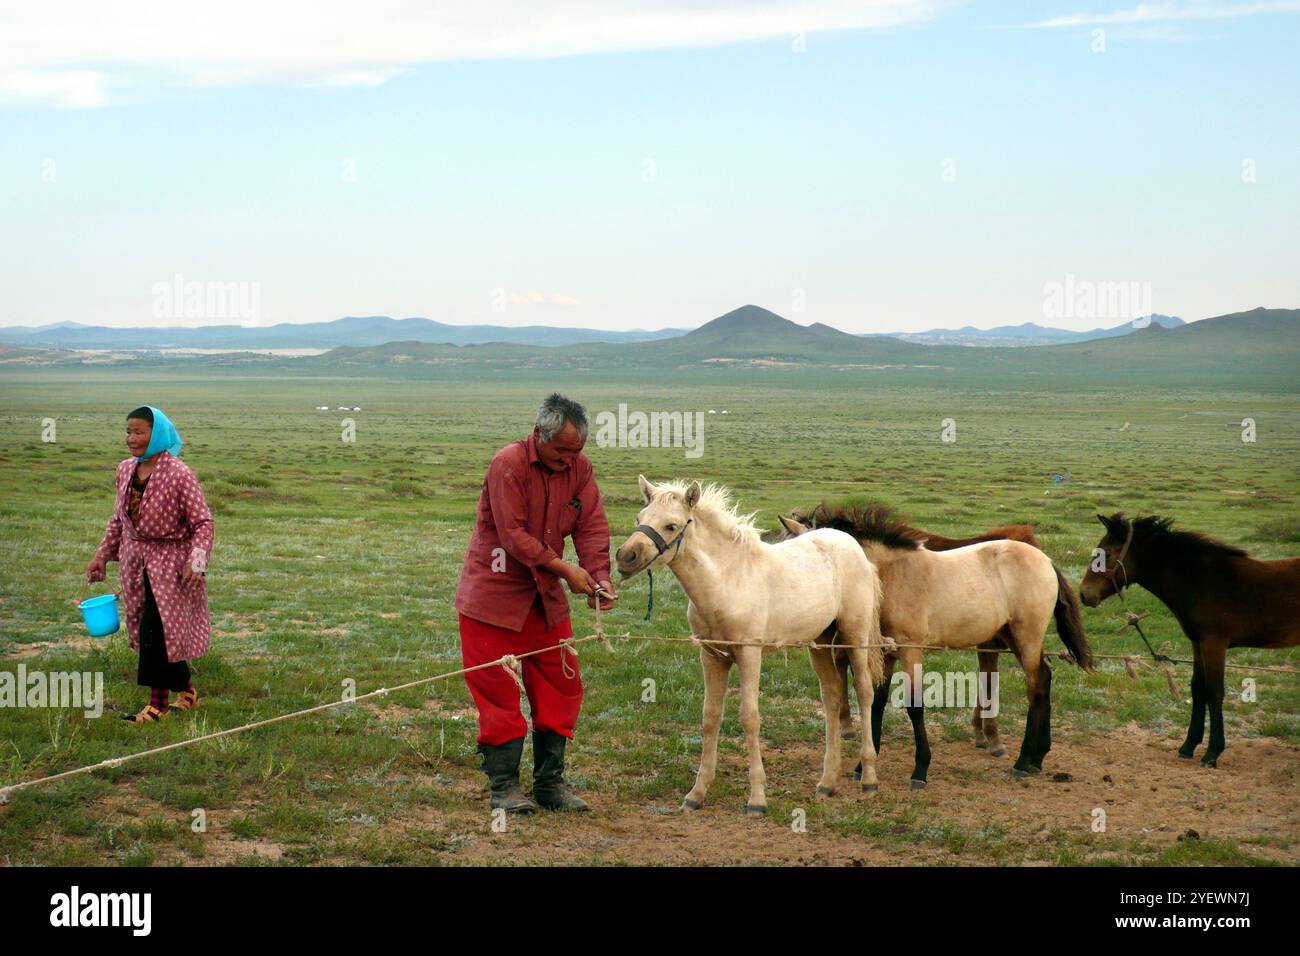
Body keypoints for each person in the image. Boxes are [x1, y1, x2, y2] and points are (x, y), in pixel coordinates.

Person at [454, 393, 617, 813]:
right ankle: (504, 788)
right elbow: (513, 536)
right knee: (498, 693)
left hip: (544, 601)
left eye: (577, 450)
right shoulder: (507, 464)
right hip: (493, 600)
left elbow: (592, 526)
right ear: (538, 435)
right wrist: (565, 570)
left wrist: (598, 575)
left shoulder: (580, 469)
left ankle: (550, 785)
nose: (570, 458)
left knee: (562, 687)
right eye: (562, 450)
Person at [86, 406, 214, 723]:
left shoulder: (179, 474)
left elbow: (203, 523)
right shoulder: (125, 470)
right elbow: (118, 520)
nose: (131, 438)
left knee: (154, 629)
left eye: (139, 432)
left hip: (171, 565)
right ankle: (187, 692)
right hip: (134, 562)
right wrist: (102, 555)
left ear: (156, 435)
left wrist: (196, 563)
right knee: (159, 631)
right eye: (128, 431)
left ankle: (157, 705)